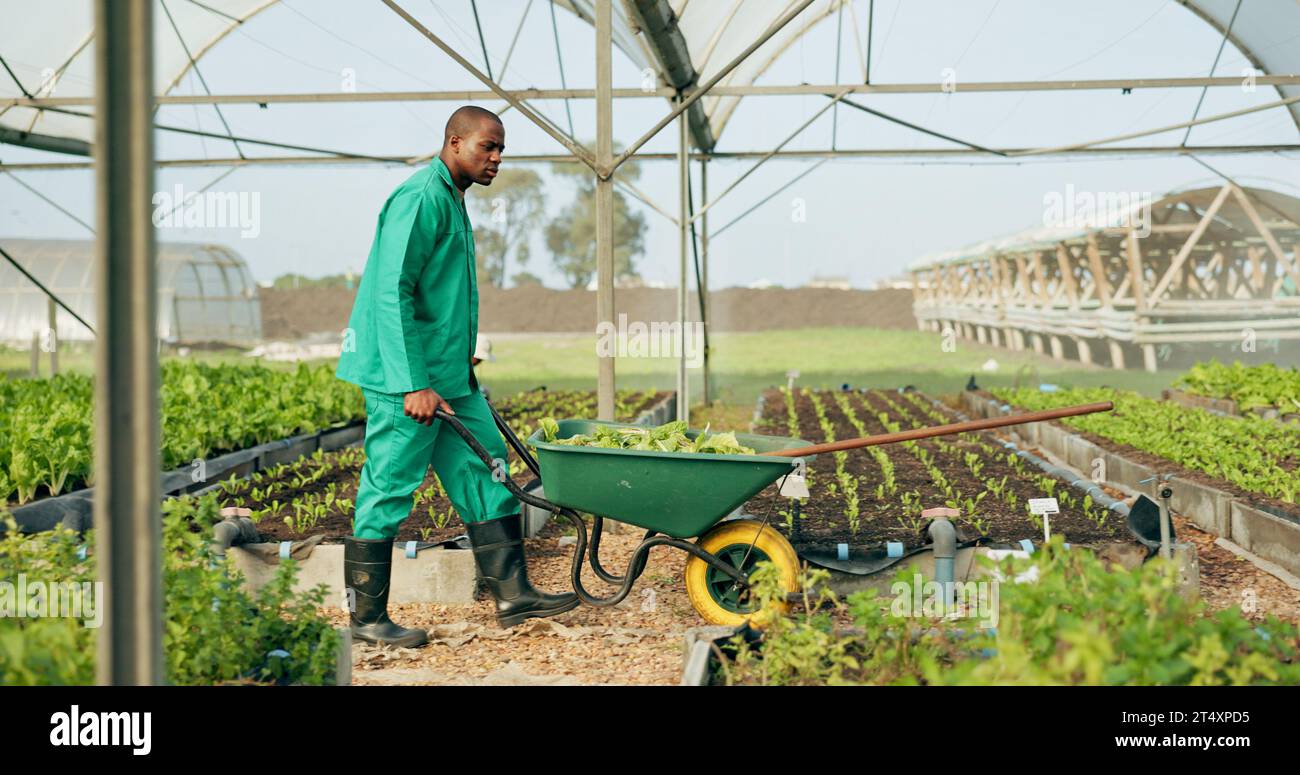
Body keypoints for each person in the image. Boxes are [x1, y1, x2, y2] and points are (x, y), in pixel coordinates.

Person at [336, 106, 577, 647]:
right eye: (487, 148)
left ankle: (513, 595)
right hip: (407, 381)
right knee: (389, 488)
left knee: (489, 467)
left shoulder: (452, 197)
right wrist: (410, 382)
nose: (496, 159)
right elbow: (389, 291)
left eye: (501, 151)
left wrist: (457, 361)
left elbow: (438, 297)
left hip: (448, 377)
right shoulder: (421, 197)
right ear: (454, 142)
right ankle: (366, 621)